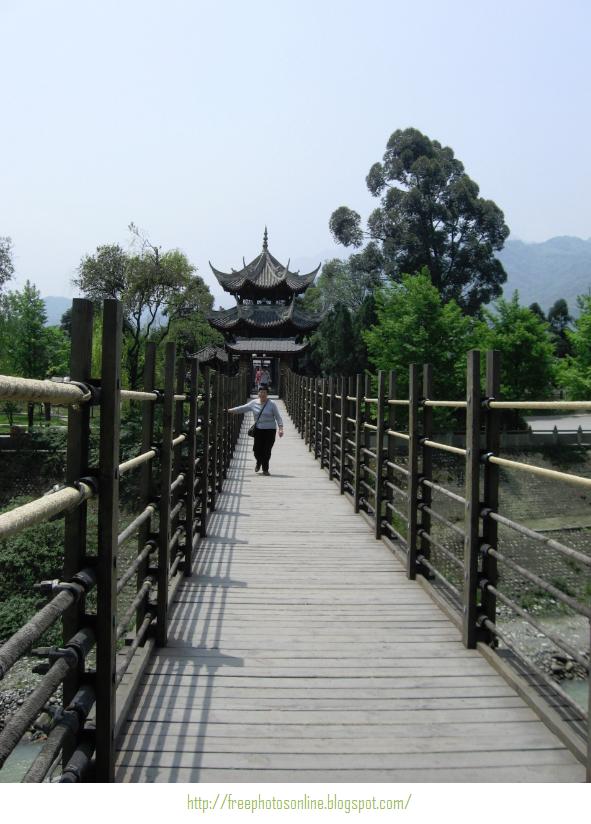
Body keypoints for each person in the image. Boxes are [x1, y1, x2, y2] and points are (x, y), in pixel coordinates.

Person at [228, 383, 283, 475]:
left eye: (265, 392)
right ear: (258, 394)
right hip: (258, 429)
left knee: (267, 450)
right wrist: (231, 410)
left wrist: (281, 428)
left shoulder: (272, 404)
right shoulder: (254, 403)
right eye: (261, 392)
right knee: (256, 450)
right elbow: (243, 408)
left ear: (267, 394)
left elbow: (278, 417)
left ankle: (265, 469)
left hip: (270, 430)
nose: (263, 394)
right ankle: (259, 462)